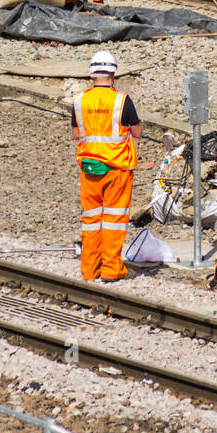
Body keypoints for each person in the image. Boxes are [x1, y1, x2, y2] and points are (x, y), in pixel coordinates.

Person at [72, 51, 141, 282]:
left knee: (91, 220)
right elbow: (137, 133)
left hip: (89, 169)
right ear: (113, 73)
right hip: (116, 168)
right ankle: (112, 270)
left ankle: (90, 270)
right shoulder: (122, 100)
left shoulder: (80, 101)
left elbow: (76, 133)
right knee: (114, 219)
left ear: (92, 73)